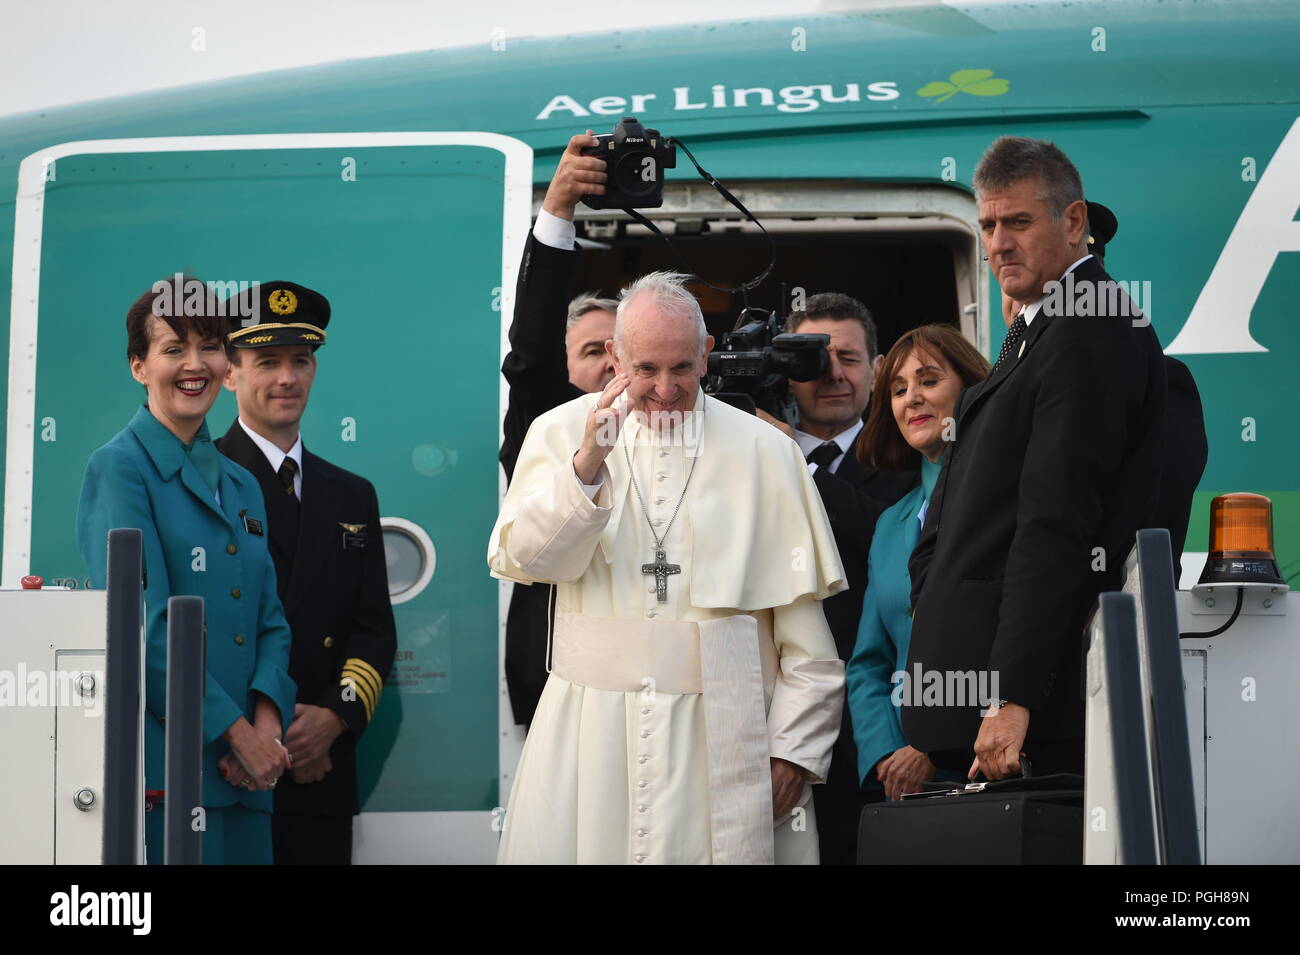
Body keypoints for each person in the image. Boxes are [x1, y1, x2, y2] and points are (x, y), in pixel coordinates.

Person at [488, 271, 846, 865]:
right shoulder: (557, 433)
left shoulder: (766, 452)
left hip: (727, 738)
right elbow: (528, 561)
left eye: (681, 368)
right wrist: (588, 462)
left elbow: (808, 644)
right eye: (646, 370)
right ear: (614, 356)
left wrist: (793, 752)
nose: (664, 390)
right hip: (587, 737)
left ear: (707, 354)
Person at [907, 137, 1167, 780]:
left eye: (1018, 222)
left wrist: (1012, 695)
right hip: (971, 707)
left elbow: (1057, 526)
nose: (997, 243)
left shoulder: (1088, 329)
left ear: (1073, 222)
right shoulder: (1039, 332)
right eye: (989, 225)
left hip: (1026, 723)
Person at [76, 276, 296, 864]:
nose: (194, 365)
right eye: (173, 349)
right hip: (168, 779)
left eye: (210, 346)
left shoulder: (244, 483)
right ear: (138, 367)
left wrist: (267, 731)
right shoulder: (119, 469)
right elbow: (143, 631)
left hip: (247, 780)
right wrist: (239, 735)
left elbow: (270, 620)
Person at [215, 280, 397, 865]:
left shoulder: (351, 494)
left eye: (301, 361)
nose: (286, 378)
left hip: (321, 771)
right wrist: (241, 736)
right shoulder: (199, 483)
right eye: (266, 362)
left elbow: (372, 630)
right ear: (229, 375)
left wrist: (333, 720)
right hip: (225, 767)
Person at [761, 293, 914, 864]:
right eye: (813, 359)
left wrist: (786, 459)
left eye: (848, 358)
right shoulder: (743, 461)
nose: (832, 373)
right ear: (785, 375)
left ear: (877, 370)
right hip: (771, 724)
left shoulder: (908, 457)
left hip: (878, 730)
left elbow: (879, 534)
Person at [500, 130, 618, 727]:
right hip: (554, 689)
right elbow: (531, 352)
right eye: (594, 349)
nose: (611, 362)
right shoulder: (544, 417)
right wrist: (557, 212)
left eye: (623, 350)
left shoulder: (675, 429)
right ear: (564, 364)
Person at [846, 325, 990, 801]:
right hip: (902, 786)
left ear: (971, 389)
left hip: (982, 764)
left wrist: (933, 744)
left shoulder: (1001, 503)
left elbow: (1006, 638)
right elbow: (868, 663)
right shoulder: (891, 523)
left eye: (928, 381)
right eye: (898, 389)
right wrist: (887, 751)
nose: (912, 399)